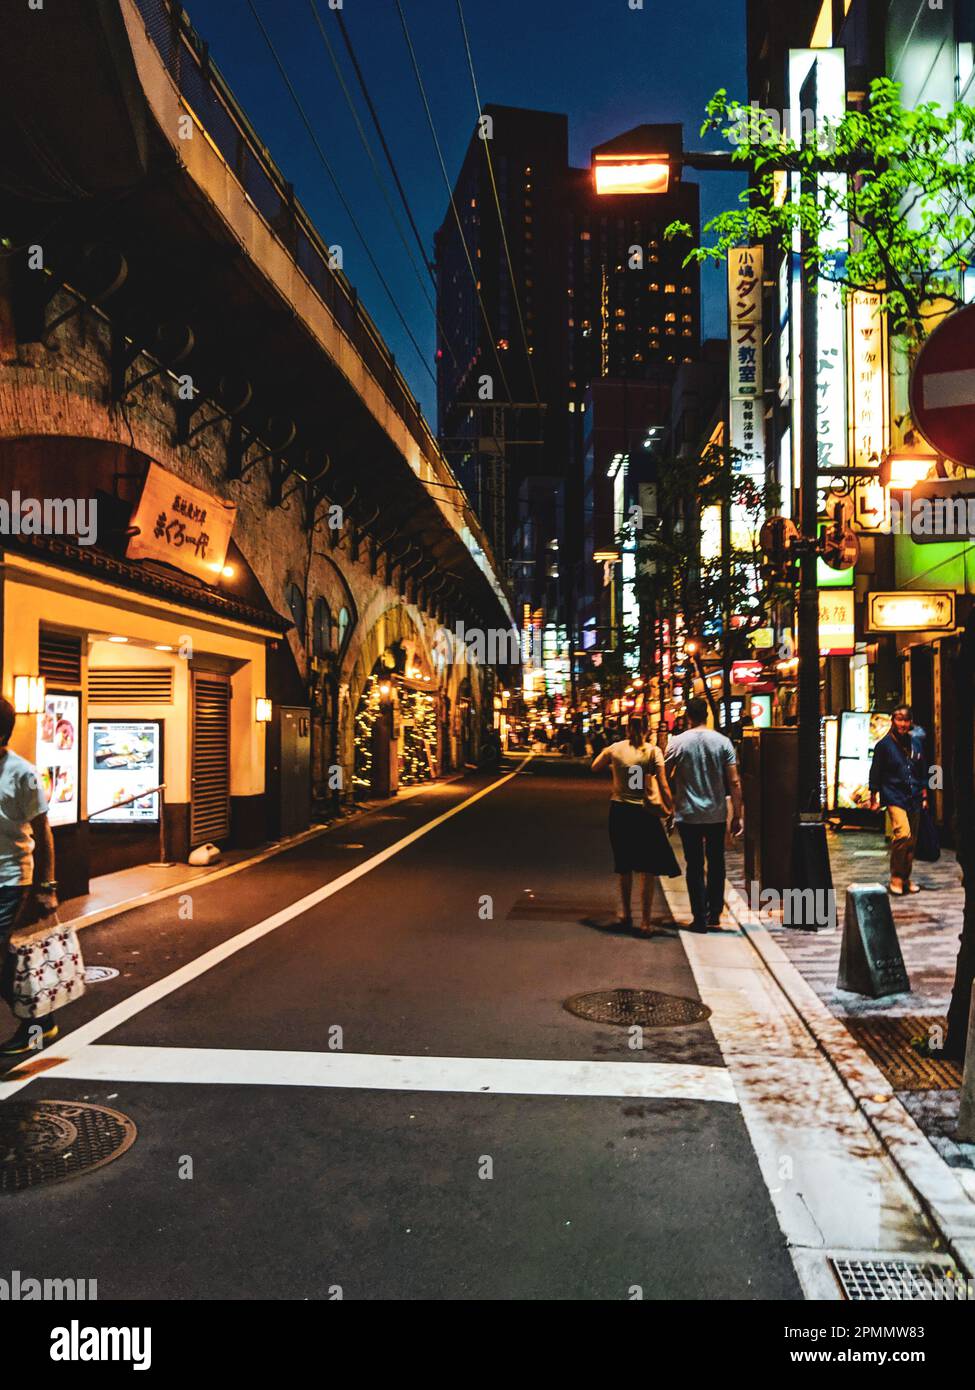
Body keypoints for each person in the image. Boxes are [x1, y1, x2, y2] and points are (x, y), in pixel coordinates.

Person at [0, 696, 60, 1055]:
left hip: (10, 878)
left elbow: (44, 831)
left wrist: (47, 887)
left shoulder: (23, 773)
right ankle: (39, 1018)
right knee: (5, 958)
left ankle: (37, 1020)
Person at [591, 714, 680, 935]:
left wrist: (615, 765)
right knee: (647, 869)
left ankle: (626, 914)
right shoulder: (652, 751)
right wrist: (671, 810)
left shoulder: (616, 748)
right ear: (647, 728)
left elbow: (595, 766)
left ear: (627, 728)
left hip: (620, 811)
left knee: (624, 865)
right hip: (644, 813)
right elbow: (663, 784)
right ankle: (646, 922)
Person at [664, 696, 743, 932]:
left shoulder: (677, 742)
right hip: (716, 813)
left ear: (687, 716)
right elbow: (735, 781)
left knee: (694, 865)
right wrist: (737, 814)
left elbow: (663, 775)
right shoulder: (723, 742)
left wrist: (669, 805)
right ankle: (714, 914)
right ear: (707, 715)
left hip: (688, 813)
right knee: (717, 863)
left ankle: (698, 917)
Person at [869, 704, 926, 895]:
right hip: (893, 795)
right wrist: (873, 796)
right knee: (903, 834)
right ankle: (895, 875)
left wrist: (926, 793)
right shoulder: (883, 745)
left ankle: (906, 877)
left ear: (911, 722)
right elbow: (875, 772)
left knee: (912, 841)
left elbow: (923, 769)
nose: (902, 723)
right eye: (899, 719)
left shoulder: (916, 743)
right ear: (893, 720)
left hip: (915, 795)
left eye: (906, 720)